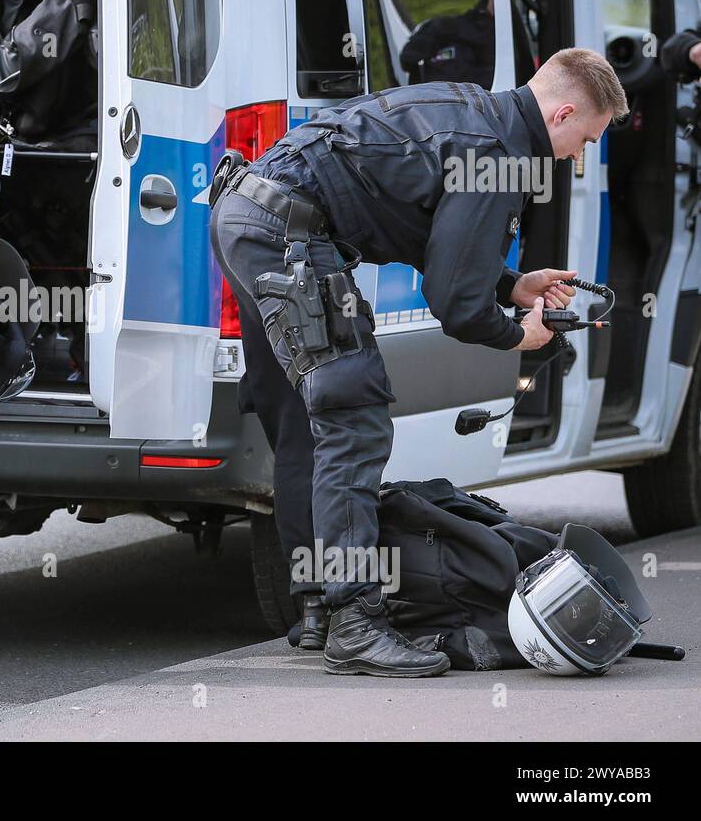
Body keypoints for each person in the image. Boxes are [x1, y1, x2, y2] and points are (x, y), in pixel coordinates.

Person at [211, 48, 626, 677]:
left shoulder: (471, 112)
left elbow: (425, 236)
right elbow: (454, 304)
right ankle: (354, 623)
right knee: (354, 418)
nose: (577, 156)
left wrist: (510, 283)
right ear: (563, 111)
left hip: (250, 214)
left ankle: (318, 607)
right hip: (289, 235)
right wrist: (522, 337)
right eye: (584, 138)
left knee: (306, 417)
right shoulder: (502, 159)